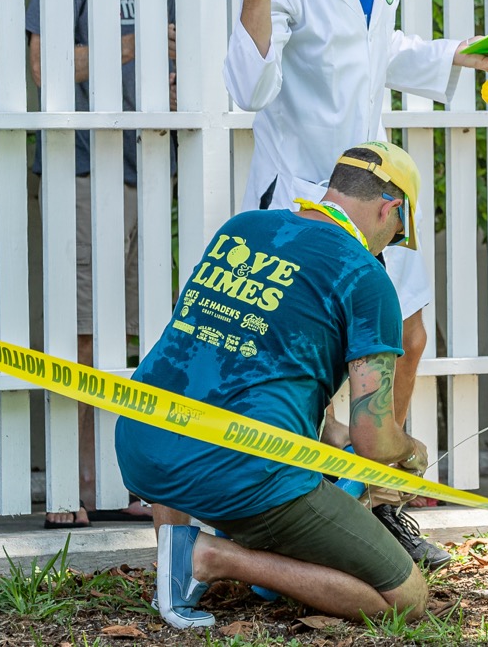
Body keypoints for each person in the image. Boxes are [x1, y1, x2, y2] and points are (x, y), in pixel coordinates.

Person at [203, 0, 488, 561]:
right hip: (304, 198)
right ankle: (303, 518)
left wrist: (462, 55)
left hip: (371, 197)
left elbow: (380, 50)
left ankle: (380, 505)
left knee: (407, 336)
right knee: (309, 367)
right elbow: (249, 87)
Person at [116, 142, 431, 630]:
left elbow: (222, 357)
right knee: (407, 598)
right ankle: (212, 557)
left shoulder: (243, 228)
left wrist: (327, 433)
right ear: (390, 209)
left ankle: (172, 558)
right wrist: (410, 452)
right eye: (397, 233)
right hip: (247, 474)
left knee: (191, 391)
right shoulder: (366, 277)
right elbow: (373, 441)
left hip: (147, 445)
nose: (388, 246)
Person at [26, 0, 177, 528]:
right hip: (86, 169)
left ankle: (127, 480)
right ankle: (80, 483)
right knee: (85, 332)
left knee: (139, 333)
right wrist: (136, 43)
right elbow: (44, 65)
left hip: (150, 170)